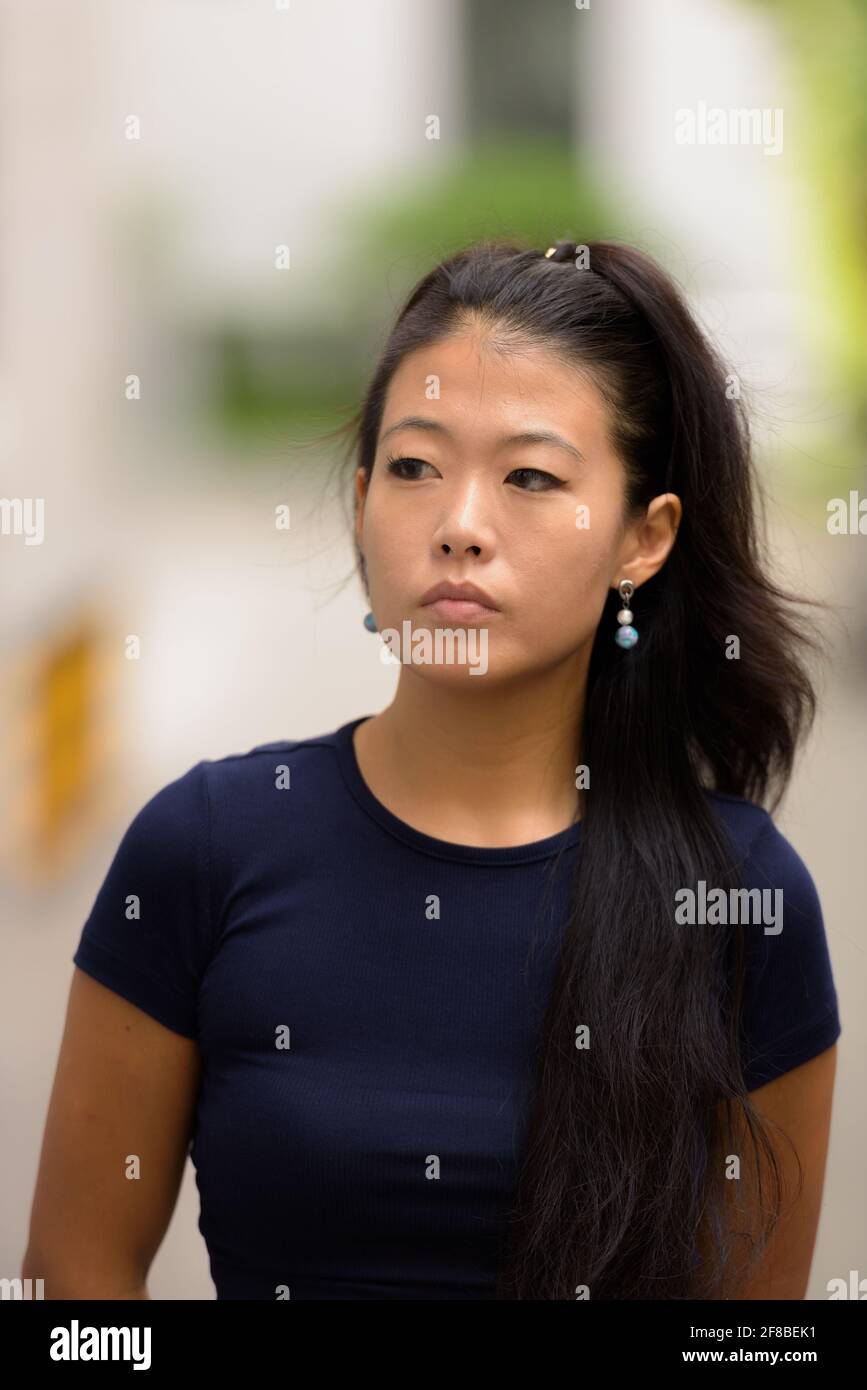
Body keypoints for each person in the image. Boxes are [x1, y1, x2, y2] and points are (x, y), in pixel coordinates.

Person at [23, 238, 841, 1300]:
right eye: (414, 467)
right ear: (363, 499)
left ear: (644, 539)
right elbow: (73, 1282)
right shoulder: (206, 846)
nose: (459, 526)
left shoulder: (739, 897)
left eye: (531, 477)